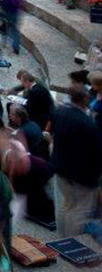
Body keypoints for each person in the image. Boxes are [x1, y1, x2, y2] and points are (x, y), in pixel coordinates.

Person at [51, 86, 102, 237]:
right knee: (79, 211)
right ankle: (72, 242)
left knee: (64, 206)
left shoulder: (60, 113)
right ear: (85, 99)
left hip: (61, 168)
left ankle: (61, 238)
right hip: (82, 176)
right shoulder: (88, 124)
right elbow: (97, 153)